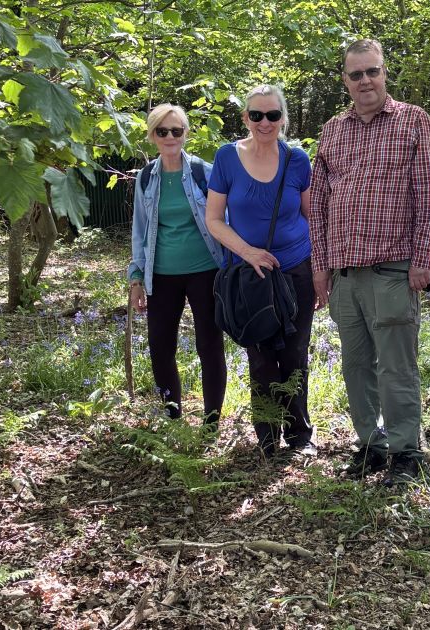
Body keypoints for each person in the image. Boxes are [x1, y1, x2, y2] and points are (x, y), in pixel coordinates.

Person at [309, 38, 430, 486]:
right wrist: (320, 267)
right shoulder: (332, 130)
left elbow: (429, 195)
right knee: (356, 365)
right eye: (356, 74)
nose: (365, 80)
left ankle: (406, 451)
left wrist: (422, 259)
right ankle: (369, 445)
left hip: (393, 269)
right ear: (344, 80)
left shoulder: (414, 121)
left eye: (372, 71)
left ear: (384, 73)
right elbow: (321, 203)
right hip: (345, 275)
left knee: (396, 367)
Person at [205, 85, 316, 460]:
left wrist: (321, 271)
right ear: (245, 118)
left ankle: (300, 436)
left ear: (283, 118)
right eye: (256, 115)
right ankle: (267, 439)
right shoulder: (226, 158)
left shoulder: (298, 160)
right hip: (250, 275)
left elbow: (311, 216)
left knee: (296, 353)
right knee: (262, 354)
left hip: (296, 270)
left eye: (272, 115)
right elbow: (214, 219)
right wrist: (248, 252)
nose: (264, 122)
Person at [129, 104, 227, 426]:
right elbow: (140, 230)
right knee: (160, 347)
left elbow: (225, 220)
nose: (170, 137)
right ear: (152, 135)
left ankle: (211, 422)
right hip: (162, 275)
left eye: (176, 130)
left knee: (209, 346)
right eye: (162, 131)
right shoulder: (146, 178)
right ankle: (173, 418)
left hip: (206, 271)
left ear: (186, 133)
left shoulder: (205, 173)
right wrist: (136, 278)